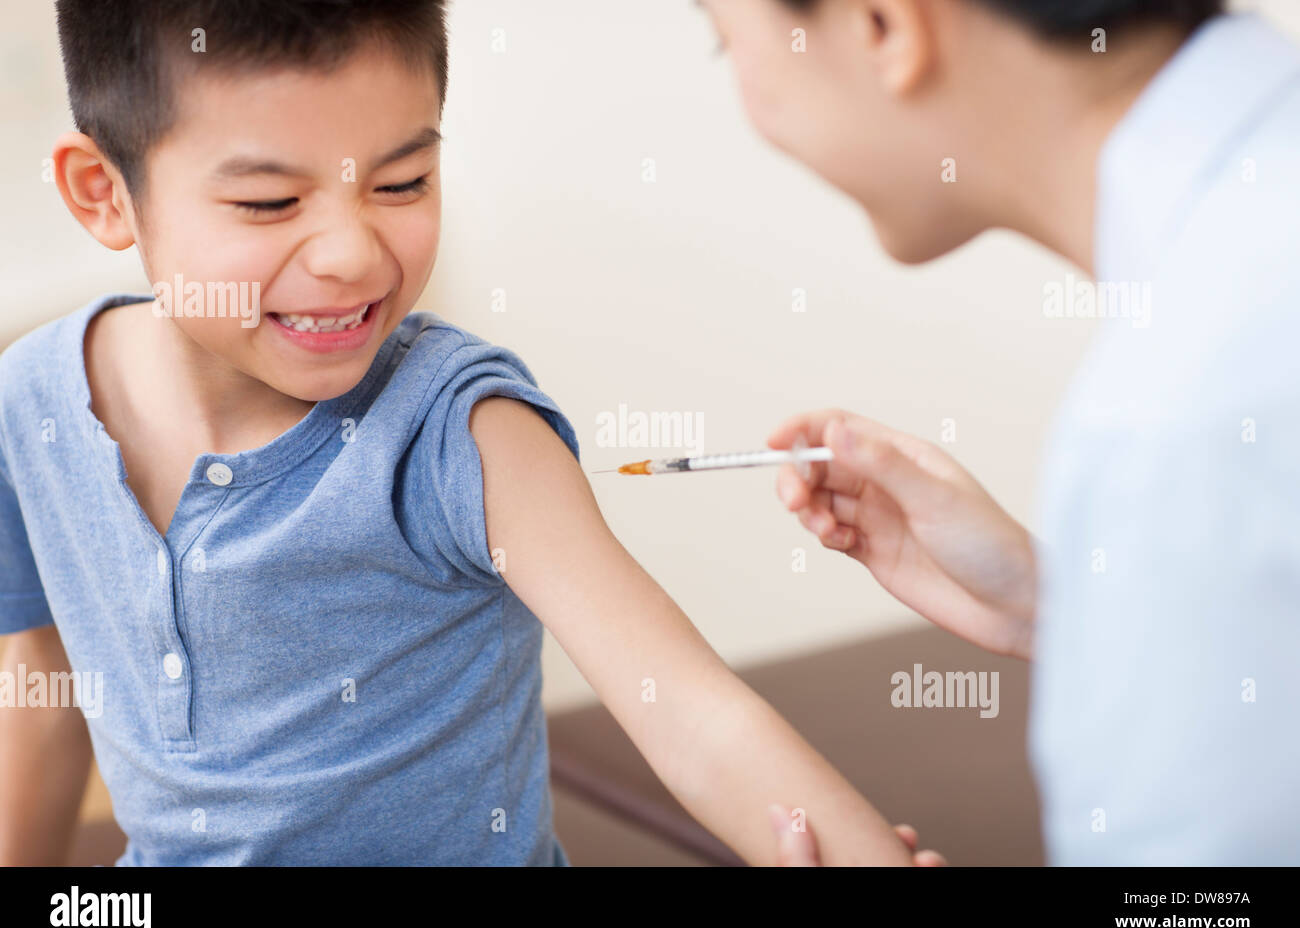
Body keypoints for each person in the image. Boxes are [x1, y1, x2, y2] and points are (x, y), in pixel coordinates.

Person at [0, 0, 932, 866]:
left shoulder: (464, 429)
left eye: (402, 183)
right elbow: (37, 693)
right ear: (103, 194)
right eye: (270, 204)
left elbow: (690, 709)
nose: (352, 254)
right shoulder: (28, 402)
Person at [689, 0, 1300, 863]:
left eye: (727, 41)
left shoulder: (1176, 418)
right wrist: (1066, 605)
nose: (749, 100)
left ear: (882, 25)